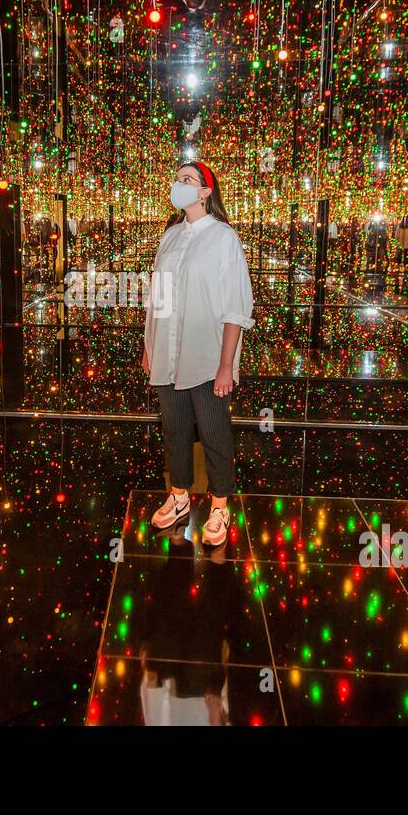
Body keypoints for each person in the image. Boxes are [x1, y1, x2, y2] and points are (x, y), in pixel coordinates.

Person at [143, 160, 254, 548]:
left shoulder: (224, 238)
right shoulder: (170, 236)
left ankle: (220, 504)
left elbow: (236, 306)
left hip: (207, 358)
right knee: (173, 429)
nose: (179, 185)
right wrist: (149, 344)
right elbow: (158, 297)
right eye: (177, 179)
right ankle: (179, 497)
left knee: (213, 433)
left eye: (187, 180)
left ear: (205, 192)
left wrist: (227, 365)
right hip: (167, 353)